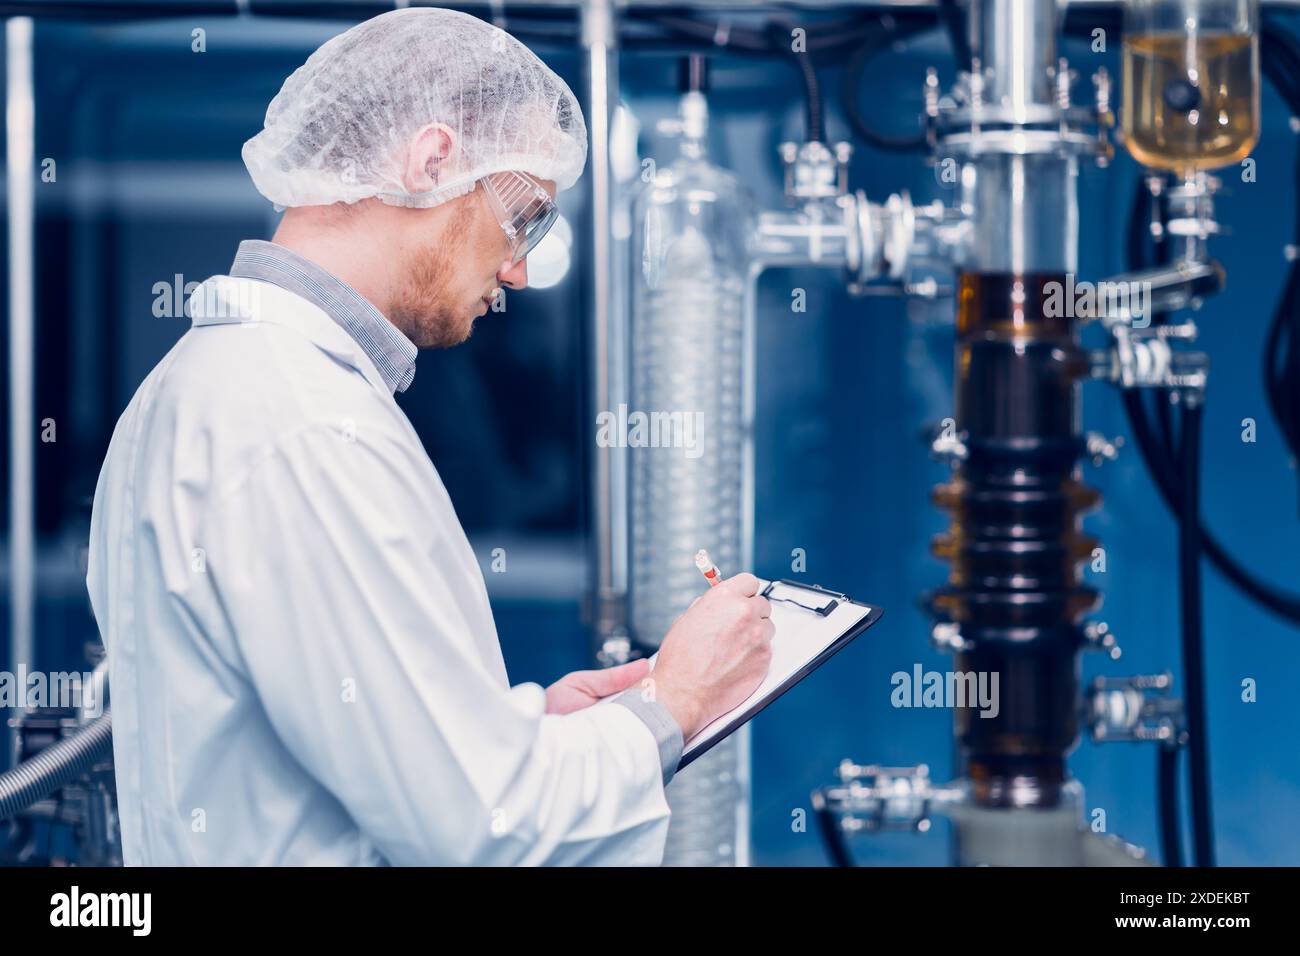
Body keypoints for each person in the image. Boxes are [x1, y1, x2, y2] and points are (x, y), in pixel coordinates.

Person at [86, 7, 773, 866]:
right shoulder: (302, 426)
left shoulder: (207, 387)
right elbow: (476, 827)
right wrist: (672, 700)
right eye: (525, 215)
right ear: (433, 159)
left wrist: (523, 734)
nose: (520, 268)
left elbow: (371, 751)